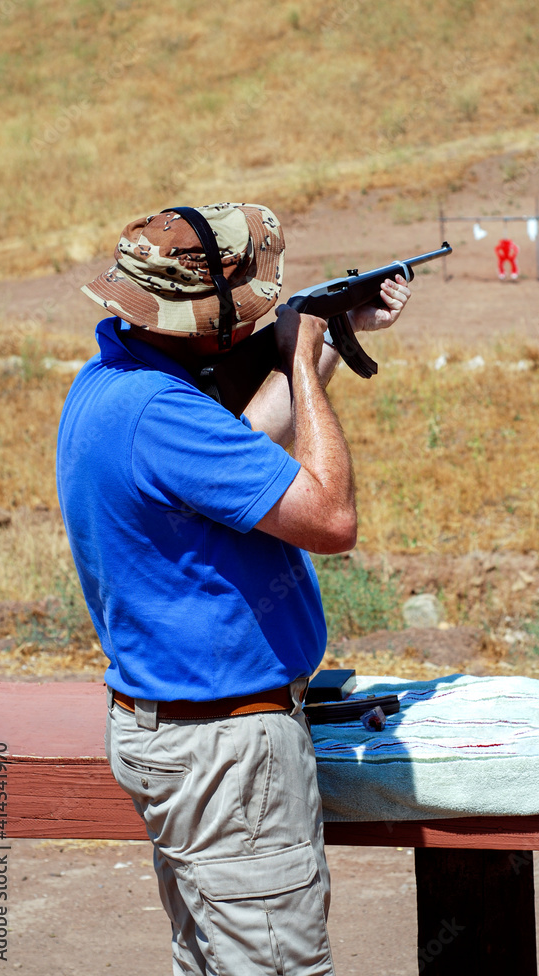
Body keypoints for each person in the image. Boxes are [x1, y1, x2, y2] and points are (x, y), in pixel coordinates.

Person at [57, 202, 411, 975]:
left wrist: (321, 340)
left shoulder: (116, 382)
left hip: (180, 736)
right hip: (227, 752)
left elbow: (240, 453)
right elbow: (329, 516)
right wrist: (305, 356)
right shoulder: (164, 413)